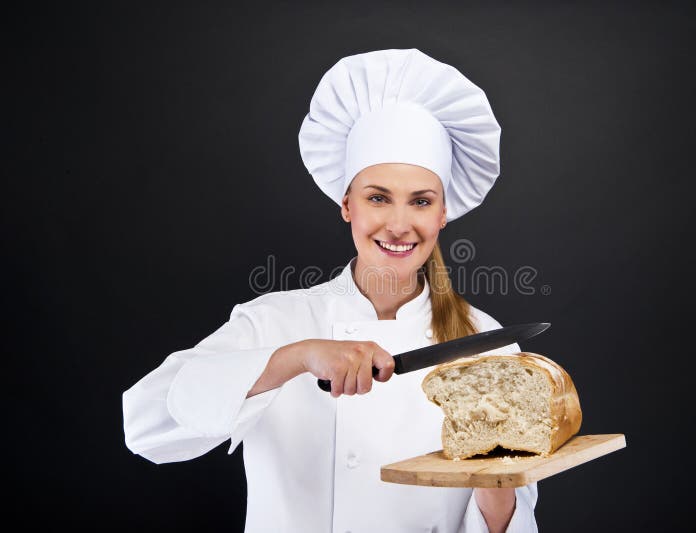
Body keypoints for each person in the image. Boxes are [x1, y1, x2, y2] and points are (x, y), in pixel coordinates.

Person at [122, 48, 539, 533]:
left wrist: (498, 482)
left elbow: (508, 524)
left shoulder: (489, 343)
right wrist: (295, 357)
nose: (399, 224)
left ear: (442, 214)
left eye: (421, 201)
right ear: (347, 205)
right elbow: (146, 426)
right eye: (377, 197)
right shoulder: (272, 322)